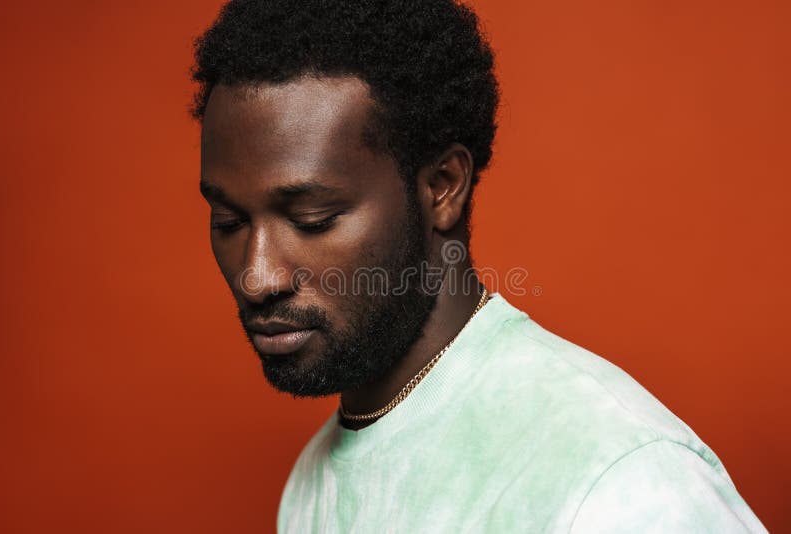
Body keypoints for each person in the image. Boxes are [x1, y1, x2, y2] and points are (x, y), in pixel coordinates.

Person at [192, 0, 767, 531]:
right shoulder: (311, 484)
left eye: (313, 218)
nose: (257, 275)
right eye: (229, 221)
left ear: (443, 186)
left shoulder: (619, 478)